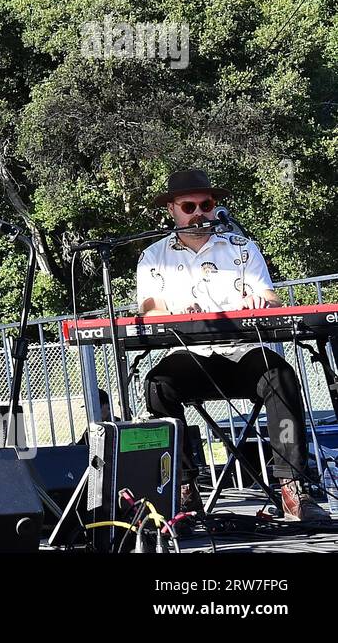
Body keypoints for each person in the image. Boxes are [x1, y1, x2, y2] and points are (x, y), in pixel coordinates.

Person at [137, 168, 326, 522]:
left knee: (280, 376)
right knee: (157, 384)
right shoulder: (153, 255)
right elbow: (147, 309)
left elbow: (270, 300)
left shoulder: (242, 247)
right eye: (188, 206)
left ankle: (291, 486)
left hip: (241, 351)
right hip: (188, 355)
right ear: (172, 210)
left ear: (215, 206)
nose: (198, 213)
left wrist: (260, 303)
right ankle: (183, 488)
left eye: (205, 205)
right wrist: (173, 310)